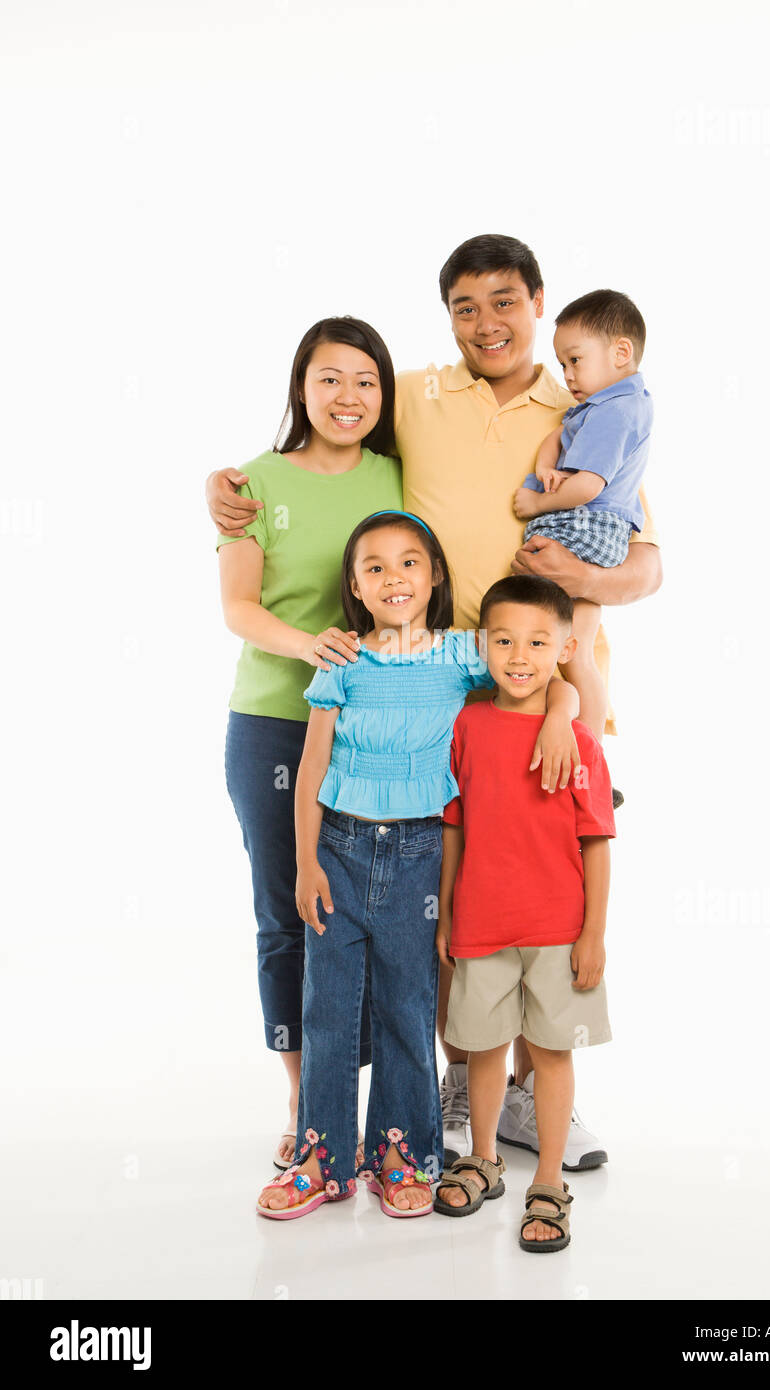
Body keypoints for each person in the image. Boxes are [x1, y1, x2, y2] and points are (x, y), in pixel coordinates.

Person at [206, 233, 662, 1172]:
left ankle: (534, 1095)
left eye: (505, 302)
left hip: (543, 694)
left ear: (539, 300)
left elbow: (648, 561)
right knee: (442, 900)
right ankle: (416, 1092)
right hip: (424, 697)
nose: (486, 323)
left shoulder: (581, 409)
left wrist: (571, 593)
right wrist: (226, 487)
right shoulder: (412, 395)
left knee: (536, 891)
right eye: (464, 306)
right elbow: (325, 433)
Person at [255, 513, 581, 1220]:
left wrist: (563, 711)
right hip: (338, 849)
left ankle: (401, 1154)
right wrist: (307, 863)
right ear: (354, 585)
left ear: (434, 575)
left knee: (408, 1007)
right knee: (327, 1008)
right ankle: (321, 1158)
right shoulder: (339, 661)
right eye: (374, 566)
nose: (392, 577)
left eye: (409, 563)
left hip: (420, 854)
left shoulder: (464, 652)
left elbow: (538, 670)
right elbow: (313, 765)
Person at [218, 316, 402, 1170]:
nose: (347, 397)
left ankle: (381, 1102)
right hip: (274, 725)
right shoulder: (252, 483)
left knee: (379, 918)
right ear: (300, 386)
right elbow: (239, 610)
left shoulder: (400, 474)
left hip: (382, 729)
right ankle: (303, 1099)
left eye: (365, 381)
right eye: (329, 379)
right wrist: (312, 645)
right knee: (289, 911)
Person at [434, 575, 615, 1252]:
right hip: (481, 921)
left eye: (538, 642)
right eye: (504, 640)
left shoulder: (578, 742)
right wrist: (447, 913)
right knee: (482, 1050)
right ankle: (482, 1159)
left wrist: (593, 932)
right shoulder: (467, 725)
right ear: (482, 645)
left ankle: (547, 1180)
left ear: (564, 647)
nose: (518, 655)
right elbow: (452, 825)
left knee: (548, 1053)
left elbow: (595, 841)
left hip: (556, 928)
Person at [513, 290, 653, 740]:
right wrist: (544, 468)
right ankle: (579, 752)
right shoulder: (597, 408)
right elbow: (558, 433)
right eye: (562, 365)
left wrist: (536, 501)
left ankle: (587, 759)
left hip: (588, 526)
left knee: (569, 654)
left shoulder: (616, 410)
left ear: (621, 352)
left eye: (575, 360)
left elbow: (588, 486)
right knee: (575, 651)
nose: (568, 375)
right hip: (589, 525)